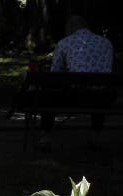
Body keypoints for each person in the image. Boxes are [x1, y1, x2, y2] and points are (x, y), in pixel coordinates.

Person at [38, 16, 114, 150]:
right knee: (98, 88)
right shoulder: (106, 43)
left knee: (48, 93)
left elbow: (54, 73)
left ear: (70, 28)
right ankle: (95, 137)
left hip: (77, 97)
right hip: (104, 98)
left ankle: (45, 137)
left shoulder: (65, 42)